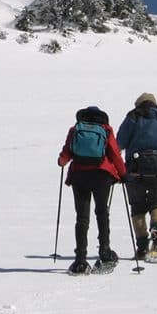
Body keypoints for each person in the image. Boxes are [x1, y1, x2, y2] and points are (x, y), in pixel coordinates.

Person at [58, 105, 127, 274]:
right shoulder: (106, 130)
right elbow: (114, 154)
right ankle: (105, 253)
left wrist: (61, 161)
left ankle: (80, 260)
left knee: (82, 217)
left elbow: (66, 153)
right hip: (102, 175)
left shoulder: (75, 129)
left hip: (79, 175)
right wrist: (123, 174)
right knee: (102, 213)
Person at [117, 93, 157, 259]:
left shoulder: (133, 117)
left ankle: (142, 246)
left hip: (135, 169)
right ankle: (156, 230)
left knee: (137, 206)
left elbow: (119, 142)